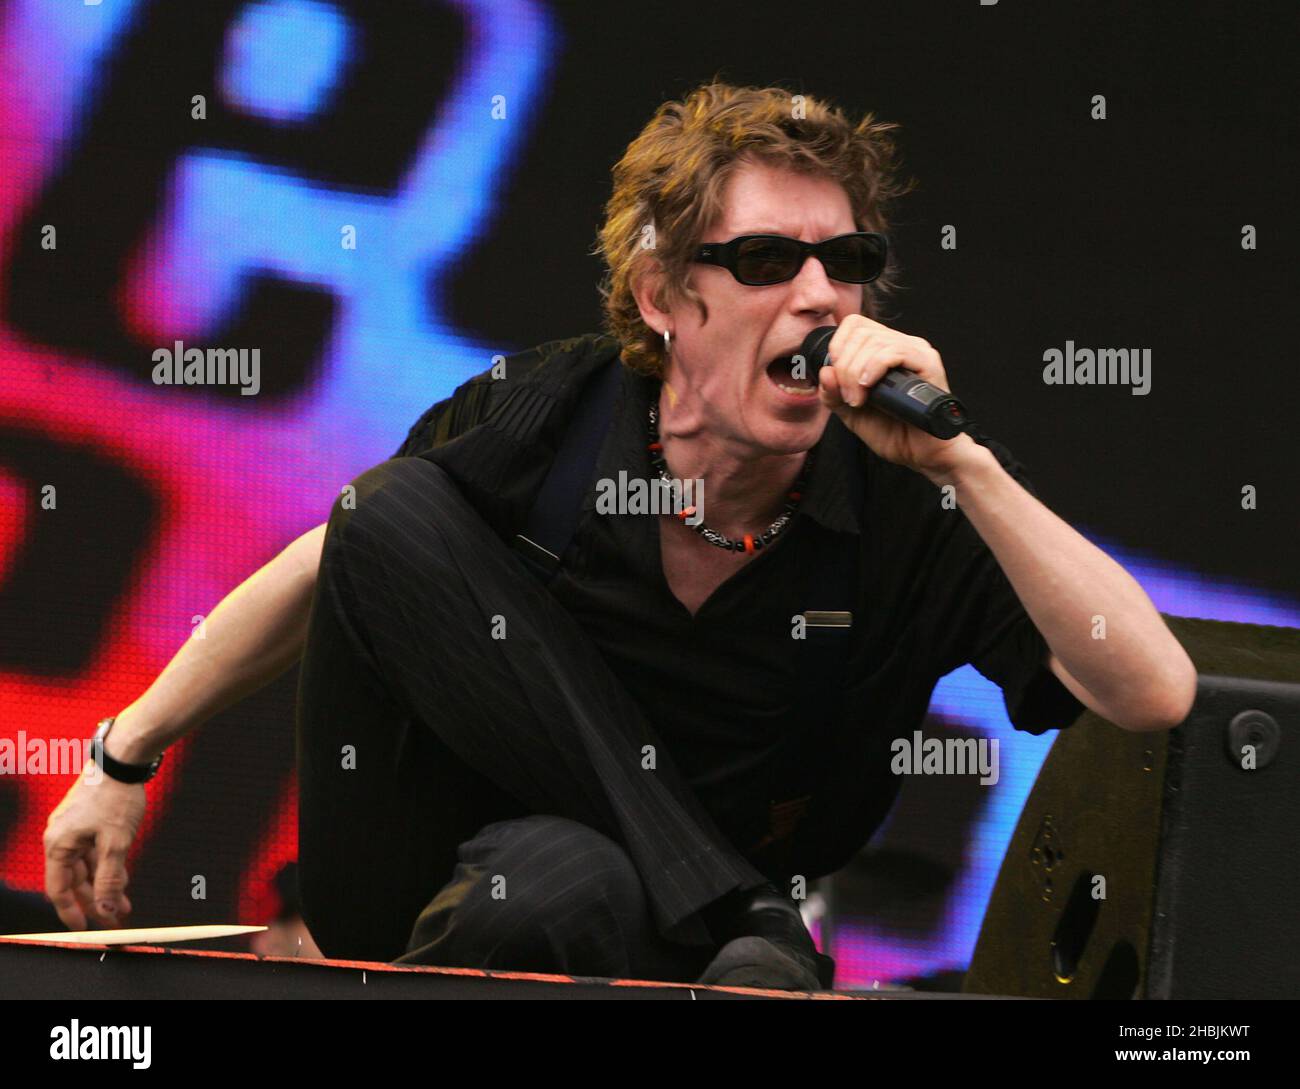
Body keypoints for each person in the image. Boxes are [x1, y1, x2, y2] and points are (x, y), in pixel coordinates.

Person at [42, 81, 1198, 992]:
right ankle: (732, 903)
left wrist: (962, 464)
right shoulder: (550, 412)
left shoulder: (907, 497)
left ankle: (716, 904)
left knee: (565, 881)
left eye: (845, 264)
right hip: (434, 873)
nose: (821, 296)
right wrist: (122, 757)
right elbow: (345, 556)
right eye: (763, 262)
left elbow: (1151, 694)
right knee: (388, 510)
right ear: (660, 296)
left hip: (657, 938)